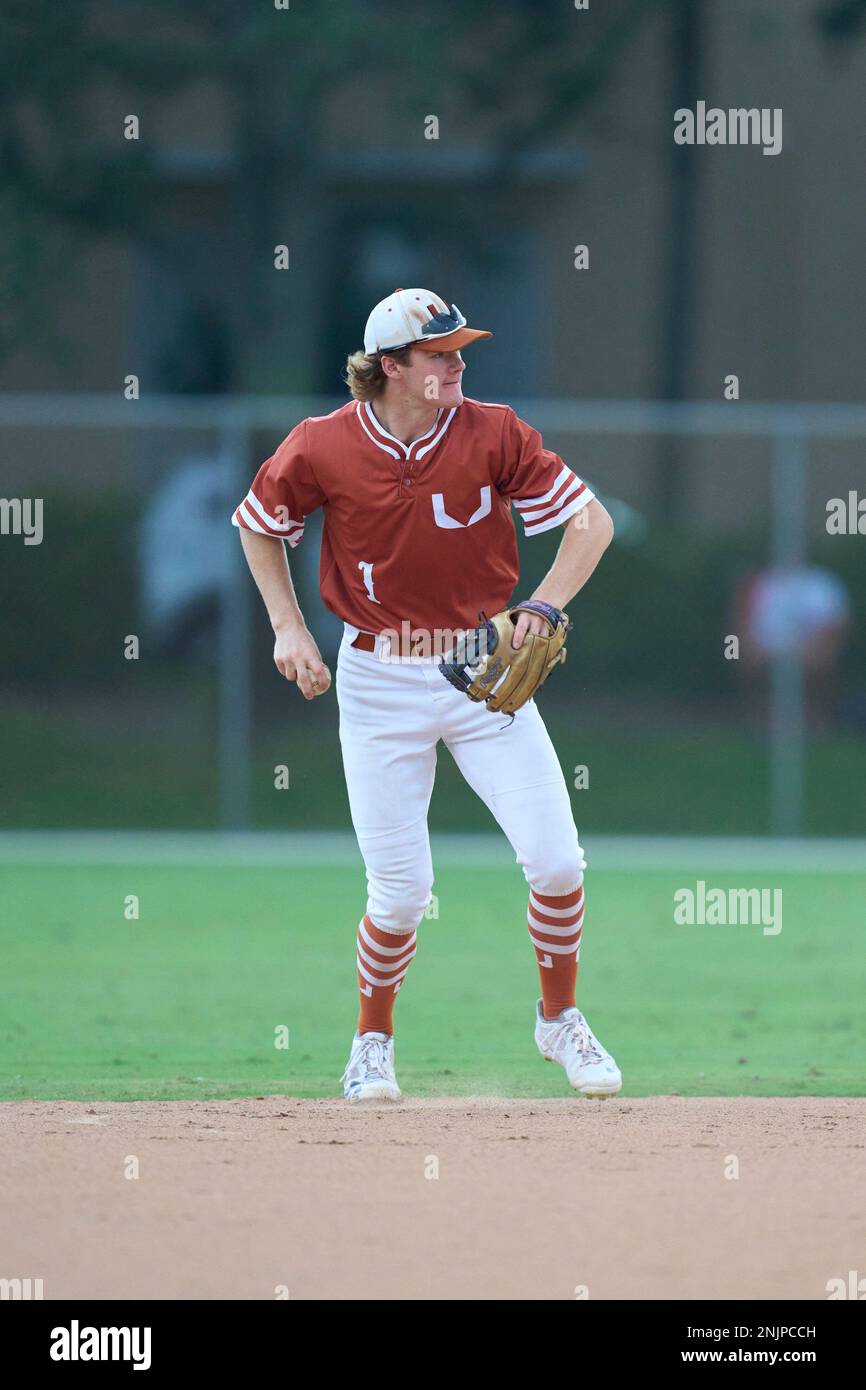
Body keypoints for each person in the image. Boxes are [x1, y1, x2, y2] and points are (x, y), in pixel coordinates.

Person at [232, 288, 621, 1102]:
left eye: (458, 349)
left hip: (483, 671)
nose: (458, 362)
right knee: (402, 894)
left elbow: (590, 523)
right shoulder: (323, 445)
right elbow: (260, 523)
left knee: (556, 861)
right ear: (390, 367)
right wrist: (288, 627)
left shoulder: (494, 430)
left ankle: (559, 1020)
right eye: (440, 352)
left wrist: (543, 606)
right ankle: (371, 1042)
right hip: (377, 680)